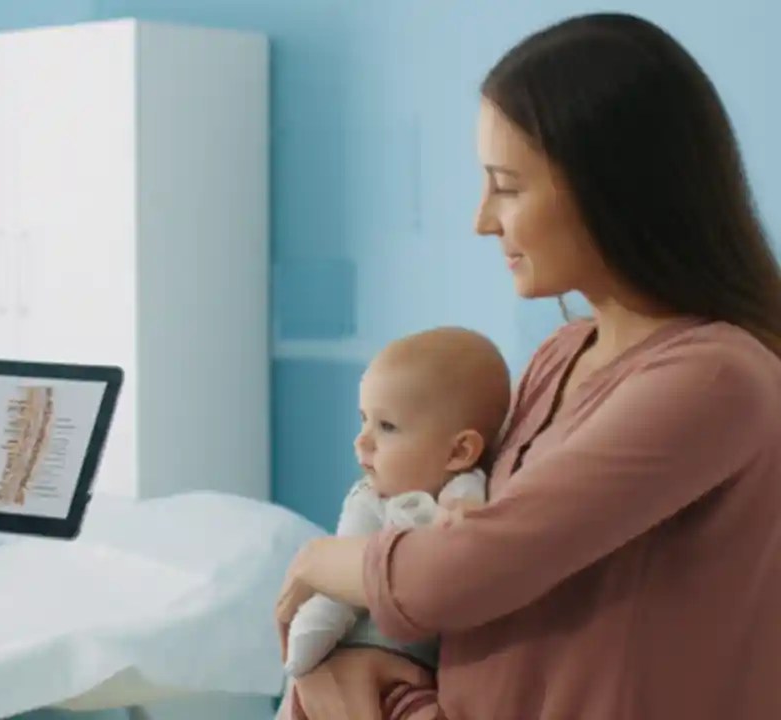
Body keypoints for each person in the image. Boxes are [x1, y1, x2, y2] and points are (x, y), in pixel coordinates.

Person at [275, 11, 781, 720]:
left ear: (613, 188)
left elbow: (458, 573)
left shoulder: (715, 381)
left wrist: (316, 562)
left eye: (507, 187)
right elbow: (482, 602)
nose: (484, 220)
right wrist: (372, 676)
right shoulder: (559, 355)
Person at [281, 326, 508, 683]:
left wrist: (464, 516)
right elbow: (335, 595)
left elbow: (466, 542)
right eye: (364, 419)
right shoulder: (368, 503)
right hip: (344, 654)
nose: (362, 441)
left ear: (459, 452)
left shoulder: (468, 492)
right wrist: (301, 661)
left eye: (387, 426)